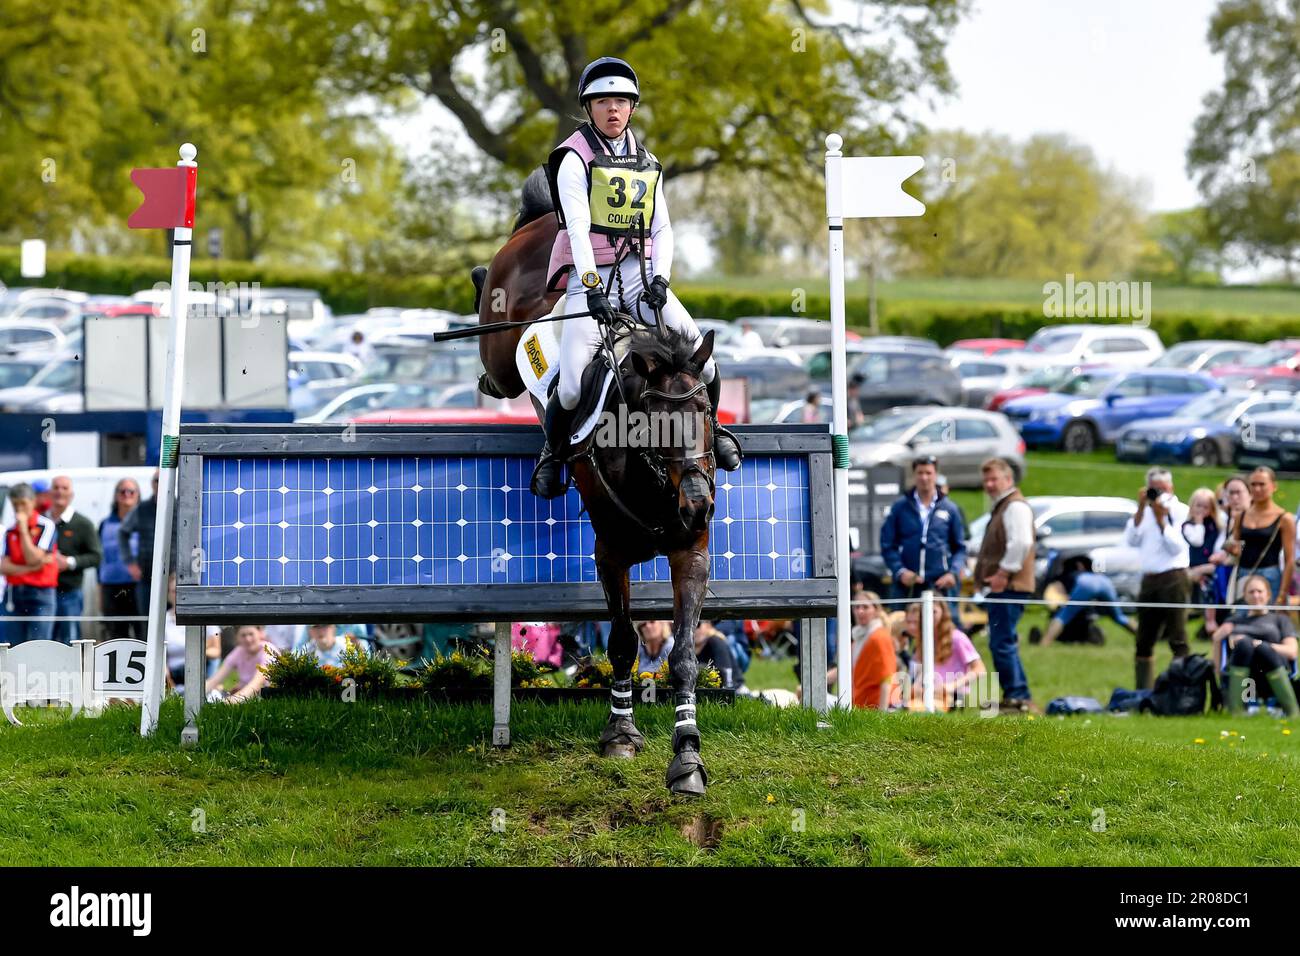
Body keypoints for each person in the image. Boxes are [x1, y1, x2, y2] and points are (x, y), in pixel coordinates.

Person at [529, 56, 741, 498]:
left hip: (640, 277)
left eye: (621, 101)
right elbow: (578, 228)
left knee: (708, 361)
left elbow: (662, 227)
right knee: (570, 388)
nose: (613, 109)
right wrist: (589, 288)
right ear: (588, 108)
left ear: (632, 107)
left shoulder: (646, 159)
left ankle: (715, 430)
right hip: (592, 277)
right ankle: (551, 453)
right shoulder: (574, 159)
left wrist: (661, 280)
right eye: (603, 100)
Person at [972, 457, 1036, 713]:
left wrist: (1002, 575)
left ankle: (1018, 696)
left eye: (994, 479)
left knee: (1002, 641)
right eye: (986, 480)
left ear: (1008, 480)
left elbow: (1021, 544)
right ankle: (1017, 695)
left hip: (1009, 586)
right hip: (1006, 586)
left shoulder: (1015, 507)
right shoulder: (1004, 506)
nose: (989, 484)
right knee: (1003, 640)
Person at [1124, 467, 1191, 691]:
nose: (1158, 493)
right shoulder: (1142, 513)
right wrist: (1142, 508)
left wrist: (1163, 520)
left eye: (1162, 489)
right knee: (1144, 637)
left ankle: (1180, 689)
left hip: (1174, 576)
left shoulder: (1181, 511)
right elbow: (1131, 540)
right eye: (1154, 489)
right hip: (1149, 579)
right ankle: (1143, 690)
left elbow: (1177, 547)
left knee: (1177, 635)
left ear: (1171, 488)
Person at [880, 454, 966, 615]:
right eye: (920, 473)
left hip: (940, 583)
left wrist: (953, 573)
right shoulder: (899, 507)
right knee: (902, 630)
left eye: (928, 473)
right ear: (914, 475)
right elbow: (887, 544)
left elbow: (960, 547)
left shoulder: (950, 508)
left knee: (944, 632)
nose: (924, 477)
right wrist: (900, 571)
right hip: (907, 584)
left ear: (936, 475)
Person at [1212, 574, 1299, 716]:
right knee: (1244, 645)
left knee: (1261, 647)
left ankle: (1288, 708)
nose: (1256, 595)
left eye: (1259, 591)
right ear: (1245, 597)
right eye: (1251, 592)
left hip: (1273, 668)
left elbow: (1292, 652)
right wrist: (1217, 638)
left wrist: (1259, 644)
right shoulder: (1234, 621)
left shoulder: (1280, 620)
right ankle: (1239, 708)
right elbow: (1220, 662)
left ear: (1268, 595)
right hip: (1244, 673)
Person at [1223, 466, 1295, 606]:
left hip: (1270, 575)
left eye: (1262, 484)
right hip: (1244, 574)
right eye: (1253, 484)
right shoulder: (1241, 516)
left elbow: (1289, 559)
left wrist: (1282, 593)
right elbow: (1234, 548)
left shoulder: (1284, 518)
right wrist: (1231, 545)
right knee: (1241, 618)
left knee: (1267, 622)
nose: (1257, 489)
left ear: (1273, 486)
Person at [1030, 555, 1136, 646]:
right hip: (1105, 582)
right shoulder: (1093, 573)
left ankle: (1044, 643)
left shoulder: (1068, 575)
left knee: (1062, 617)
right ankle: (1144, 637)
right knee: (1119, 617)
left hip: (1085, 584)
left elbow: (1057, 593)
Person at [46, 475, 102, 644]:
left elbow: (96, 556)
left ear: (72, 494)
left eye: (64, 488)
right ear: (50, 492)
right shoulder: (41, 520)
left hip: (68, 592)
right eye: (56, 487)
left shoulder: (82, 523)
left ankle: (70, 672)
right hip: (41, 592)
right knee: (43, 642)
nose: (59, 492)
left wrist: (69, 562)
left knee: (69, 641)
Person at [1, 484, 59, 644]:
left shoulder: (45, 525)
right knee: (13, 646)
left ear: (33, 502)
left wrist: (24, 531)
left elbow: (33, 557)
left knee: (38, 646)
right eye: (15, 504)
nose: (19, 509)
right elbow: (3, 567)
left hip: (40, 594)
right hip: (14, 594)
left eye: (23, 504)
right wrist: (32, 568)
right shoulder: (10, 531)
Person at [909, 595, 986, 710]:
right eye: (925, 612)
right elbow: (921, 670)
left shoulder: (957, 637)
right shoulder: (924, 638)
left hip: (953, 694)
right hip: (929, 690)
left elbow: (980, 670)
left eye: (933, 611)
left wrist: (951, 686)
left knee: (922, 709)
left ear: (943, 613)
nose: (929, 616)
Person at [98, 478, 143, 640]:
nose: (126, 495)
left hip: (139, 587)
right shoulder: (105, 524)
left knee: (142, 634)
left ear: (138, 495)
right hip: (112, 588)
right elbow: (101, 561)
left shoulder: (147, 522)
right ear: (116, 496)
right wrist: (100, 594)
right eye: (122, 491)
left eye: (131, 491)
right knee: (116, 636)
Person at [162, 574, 220, 693]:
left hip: (201, 667)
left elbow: (216, 652)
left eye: (182, 591)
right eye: (174, 591)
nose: (178, 595)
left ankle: (206, 688)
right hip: (174, 673)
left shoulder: (205, 616)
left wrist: (199, 652)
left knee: (208, 662)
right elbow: (161, 657)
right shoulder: (163, 620)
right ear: (168, 594)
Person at [119, 469, 160, 620]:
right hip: (146, 575)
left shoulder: (180, 505)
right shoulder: (141, 509)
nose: (160, 483)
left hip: (173, 576)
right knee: (147, 620)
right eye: (156, 480)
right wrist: (130, 563)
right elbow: (123, 533)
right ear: (152, 484)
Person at [205, 624, 276, 703]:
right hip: (244, 696)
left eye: (251, 634)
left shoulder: (268, 651)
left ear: (260, 633)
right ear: (237, 637)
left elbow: (257, 684)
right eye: (243, 635)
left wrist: (228, 702)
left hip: (265, 698)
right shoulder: (239, 651)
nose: (248, 639)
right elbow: (215, 679)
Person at [851, 590, 896, 709]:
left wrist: (882, 715)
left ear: (876, 611)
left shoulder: (879, 637)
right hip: (858, 702)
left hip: (872, 706)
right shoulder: (859, 637)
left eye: (865, 607)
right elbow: (844, 668)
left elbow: (887, 677)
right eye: (856, 607)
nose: (860, 611)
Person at [693, 621, 743, 690]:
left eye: (697, 625)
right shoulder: (686, 647)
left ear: (708, 626)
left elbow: (726, 676)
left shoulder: (716, 642)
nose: (693, 630)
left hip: (735, 690)